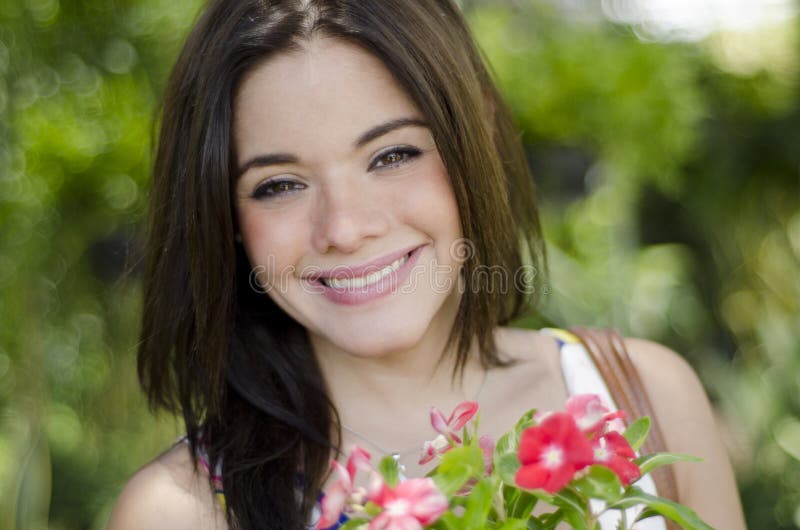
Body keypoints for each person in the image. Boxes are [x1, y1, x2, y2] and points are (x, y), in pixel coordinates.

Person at [107, 1, 746, 529]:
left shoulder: (642, 399)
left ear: (479, 142)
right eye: (278, 185)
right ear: (226, 220)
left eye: (391, 155)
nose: (346, 228)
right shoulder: (179, 513)